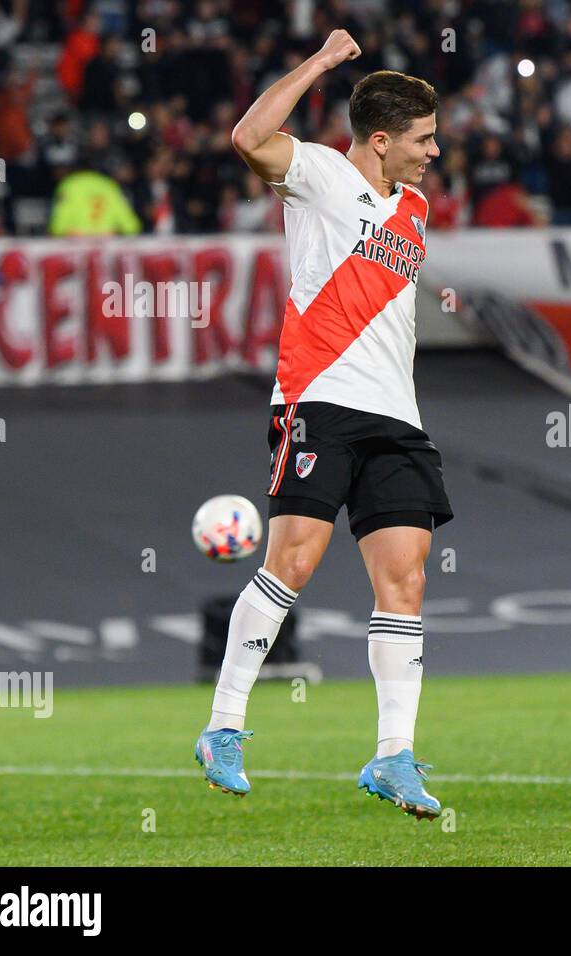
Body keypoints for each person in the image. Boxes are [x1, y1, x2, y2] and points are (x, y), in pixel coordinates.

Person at [195, 30, 451, 820]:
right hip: (320, 401)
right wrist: (320, 63)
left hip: (396, 418)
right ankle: (224, 726)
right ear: (379, 140)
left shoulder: (414, 209)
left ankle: (392, 757)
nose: (434, 152)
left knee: (405, 578)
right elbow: (247, 137)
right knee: (297, 561)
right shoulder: (319, 175)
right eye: (422, 139)